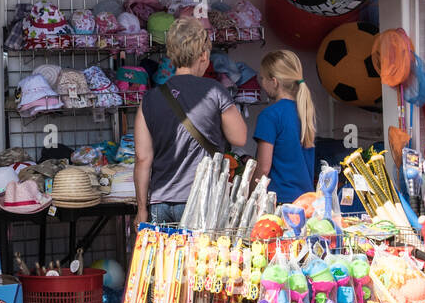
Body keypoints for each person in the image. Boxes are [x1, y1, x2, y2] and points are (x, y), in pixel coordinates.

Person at [135, 17, 248, 225]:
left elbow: (143, 160)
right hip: (202, 199)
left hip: (160, 201)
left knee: (166, 259)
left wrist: (141, 209)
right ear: (204, 55)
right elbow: (240, 138)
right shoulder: (215, 91)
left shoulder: (150, 99)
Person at [252, 49, 316, 204]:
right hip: (307, 201)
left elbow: (264, 169)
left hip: (279, 201)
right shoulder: (305, 111)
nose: (261, 83)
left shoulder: (270, 115)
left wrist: (248, 196)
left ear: (274, 81)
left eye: (263, 78)